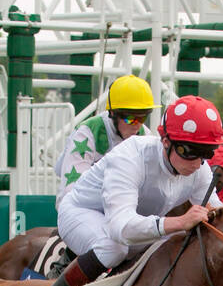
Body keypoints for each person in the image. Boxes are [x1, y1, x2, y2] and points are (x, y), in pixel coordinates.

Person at [21, 94, 223, 286]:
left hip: (131, 219)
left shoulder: (199, 169)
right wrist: (179, 222)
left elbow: (217, 213)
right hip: (83, 212)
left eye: (206, 153)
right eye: (188, 152)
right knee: (114, 247)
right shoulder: (131, 156)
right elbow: (121, 227)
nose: (196, 163)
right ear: (165, 141)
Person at [54, 74, 155, 205]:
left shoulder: (145, 135)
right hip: (78, 205)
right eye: (130, 118)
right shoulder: (87, 133)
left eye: (142, 118)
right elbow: (73, 189)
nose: (137, 124)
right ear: (113, 113)